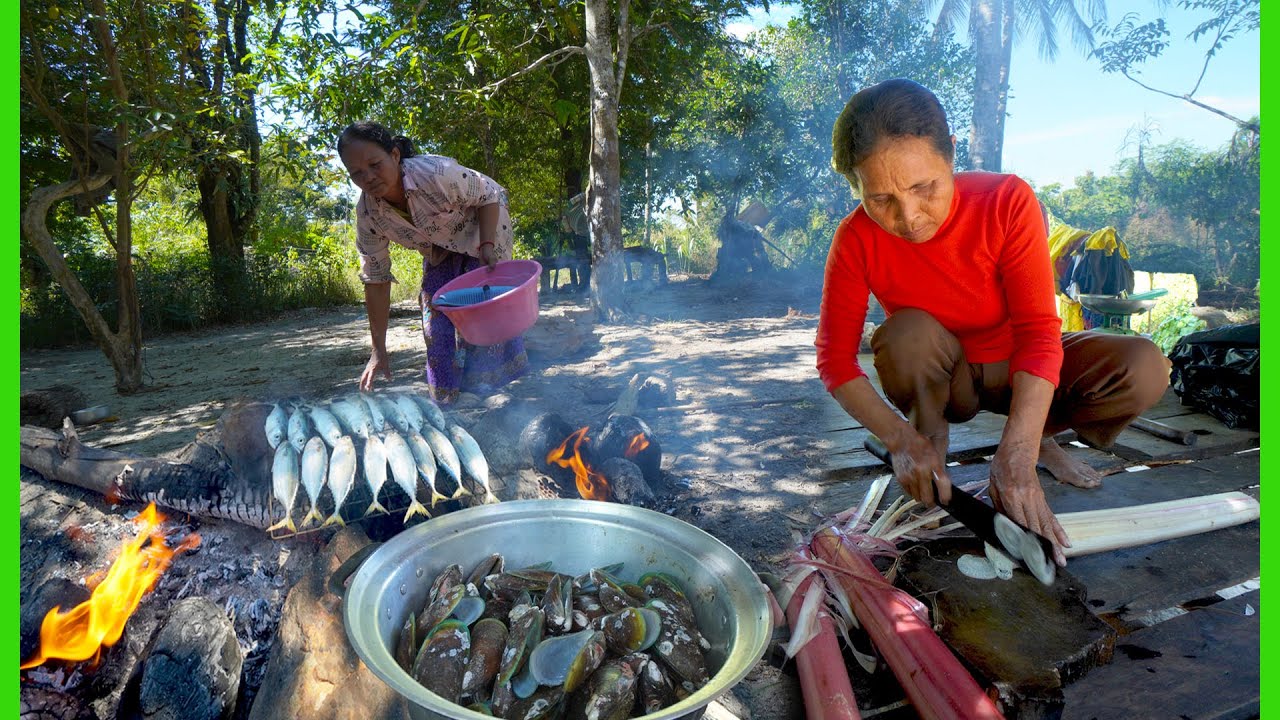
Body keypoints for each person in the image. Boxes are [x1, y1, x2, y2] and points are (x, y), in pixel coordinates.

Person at [815, 79, 1169, 566]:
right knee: (905, 335)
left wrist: (1018, 454)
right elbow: (835, 362)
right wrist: (900, 441)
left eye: (924, 188)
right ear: (854, 188)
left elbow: (1040, 333)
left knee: (1144, 366)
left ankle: (1038, 440)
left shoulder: (1006, 199)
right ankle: (930, 447)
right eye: (880, 199)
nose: (910, 216)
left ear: (951, 156)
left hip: (1017, 363)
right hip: (948, 382)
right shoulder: (855, 239)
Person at [337, 121, 528, 403]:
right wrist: (378, 349)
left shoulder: (436, 174)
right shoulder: (369, 216)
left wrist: (487, 246)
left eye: (375, 164)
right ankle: (447, 396)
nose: (368, 177)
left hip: (482, 233)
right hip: (440, 250)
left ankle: (491, 390)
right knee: (434, 319)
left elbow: (489, 195)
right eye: (356, 173)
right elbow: (376, 279)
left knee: (479, 314)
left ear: (394, 155)